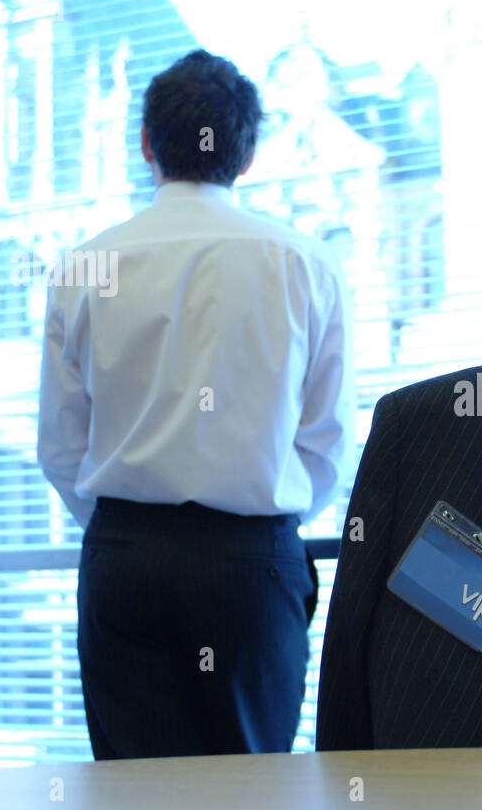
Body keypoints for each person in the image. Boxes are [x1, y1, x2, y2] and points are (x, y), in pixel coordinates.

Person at [37, 49, 354, 759]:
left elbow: (61, 447)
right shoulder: (306, 265)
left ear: (146, 144)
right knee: (249, 799)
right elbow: (328, 444)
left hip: (126, 562)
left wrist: (132, 524)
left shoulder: (83, 268)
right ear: (246, 156)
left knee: (136, 801)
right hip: (249, 568)